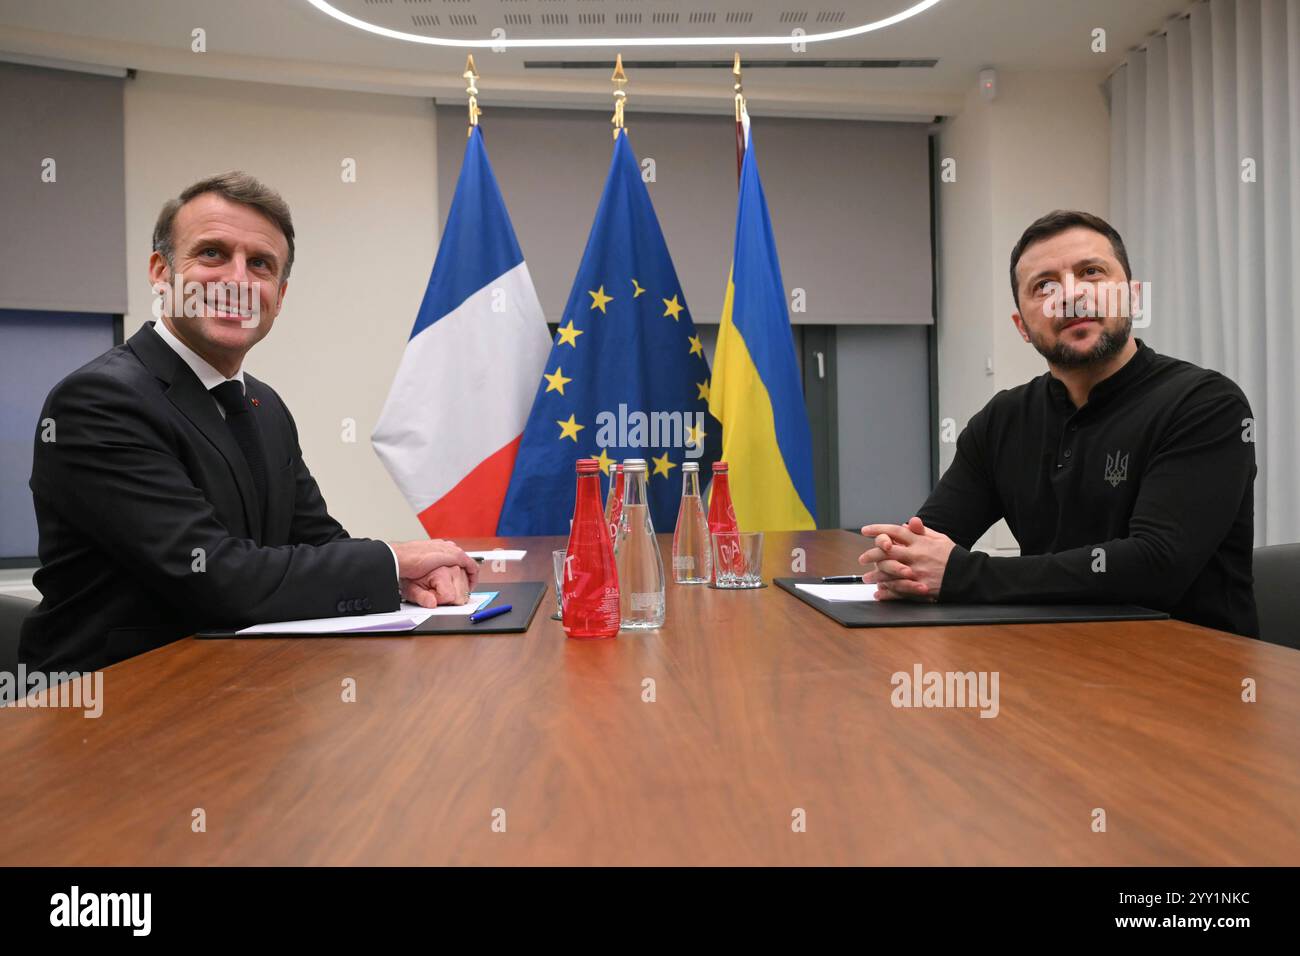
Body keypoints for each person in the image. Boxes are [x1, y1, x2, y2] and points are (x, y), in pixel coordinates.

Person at [21, 172, 479, 672]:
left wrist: (400, 581)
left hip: (244, 691)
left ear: (278, 298)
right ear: (160, 272)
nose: (237, 281)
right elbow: (217, 576)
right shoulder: (100, 400)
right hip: (108, 708)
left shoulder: (263, 405)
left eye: (259, 264)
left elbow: (315, 541)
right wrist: (393, 559)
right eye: (213, 254)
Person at [858, 210, 1258, 637]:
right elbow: (925, 545)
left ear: (1134, 298)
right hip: (1050, 659)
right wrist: (899, 559)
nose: (1069, 296)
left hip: (1193, 676)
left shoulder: (1205, 404)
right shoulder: (1003, 420)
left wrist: (962, 575)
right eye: (1044, 285)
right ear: (1022, 327)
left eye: (1091, 273)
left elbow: (1156, 566)